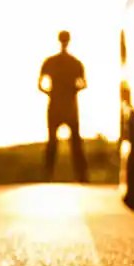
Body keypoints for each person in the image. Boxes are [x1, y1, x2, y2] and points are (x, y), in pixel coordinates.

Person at [38, 30, 88, 182]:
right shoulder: (75, 62)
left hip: (55, 105)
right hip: (70, 106)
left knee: (53, 142)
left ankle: (48, 175)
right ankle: (81, 176)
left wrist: (51, 93)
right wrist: (72, 91)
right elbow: (84, 84)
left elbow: (40, 84)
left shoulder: (50, 61)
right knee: (75, 143)